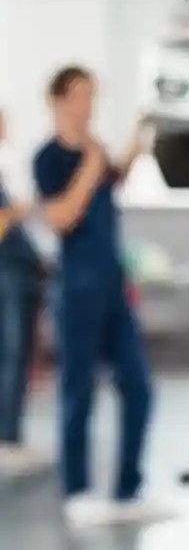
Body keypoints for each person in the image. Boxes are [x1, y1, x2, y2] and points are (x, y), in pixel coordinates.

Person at [32, 66, 169, 526]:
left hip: (113, 287)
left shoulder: (97, 152)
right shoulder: (49, 158)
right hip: (76, 290)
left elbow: (117, 179)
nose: (88, 105)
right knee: (78, 392)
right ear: (57, 101)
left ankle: (128, 489)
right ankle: (77, 491)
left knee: (139, 388)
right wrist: (91, 167)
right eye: (80, 96)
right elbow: (61, 218)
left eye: (93, 96)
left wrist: (138, 135)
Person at [0, 109, 48, 475]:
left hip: (23, 272)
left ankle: (10, 433)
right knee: (13, 355)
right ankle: (7, 436)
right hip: (9, 275)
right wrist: (21, 209)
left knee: (17, 356)